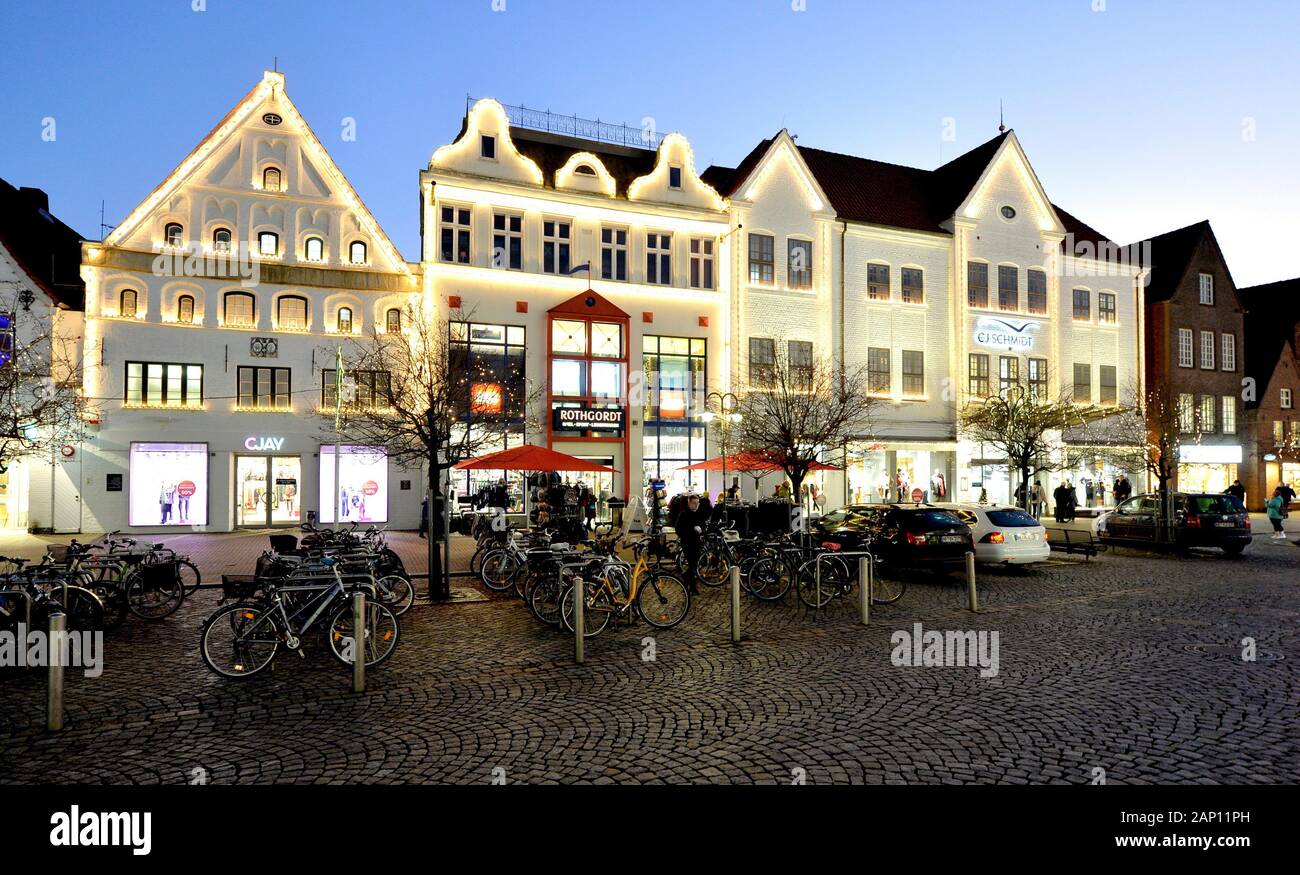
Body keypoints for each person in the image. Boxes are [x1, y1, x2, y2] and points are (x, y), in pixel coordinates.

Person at [672, 492, 712, 594]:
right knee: (693, 564)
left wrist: (701, 530)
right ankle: (693, 587)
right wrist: (692, 529)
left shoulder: (699, 514)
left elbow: (703, 526)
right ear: (689, 503)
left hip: (697, 542)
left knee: (695, 565)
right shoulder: (683, 514)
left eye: (697, 503)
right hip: (687, 543)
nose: (696, 505)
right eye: (694, 503)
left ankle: (686, 577)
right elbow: (678, 529)